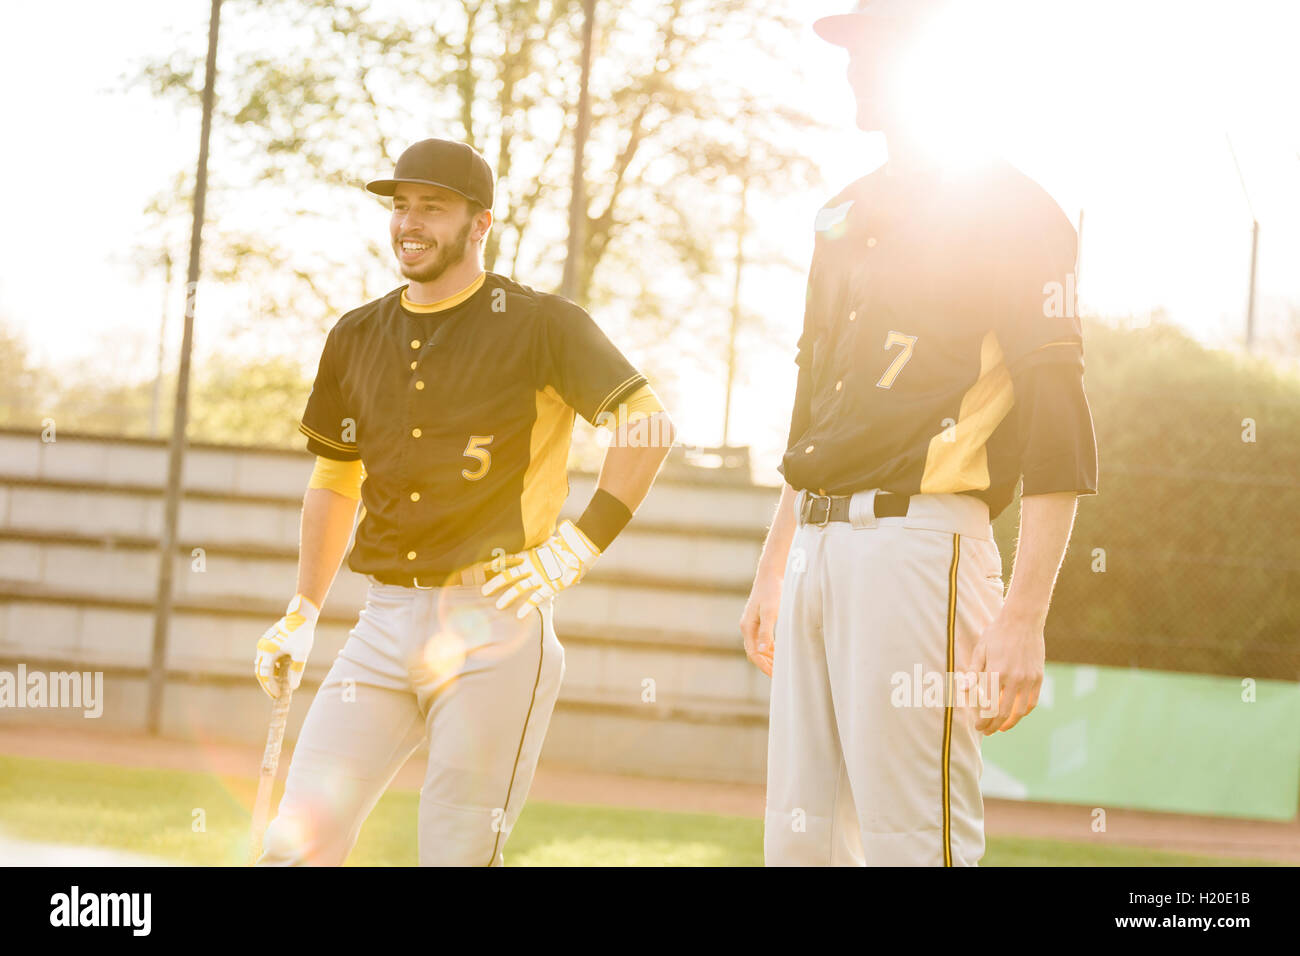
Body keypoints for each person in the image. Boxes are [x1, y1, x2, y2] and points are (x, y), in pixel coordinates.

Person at [740, 1, 1099, 866]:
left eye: (872, 48)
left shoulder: (1016, 210)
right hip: (819, 550)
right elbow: (815, 410)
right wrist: (772, 566)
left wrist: (1025, 614)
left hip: (921, 547)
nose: (854, 66)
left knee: (915, 843)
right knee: (802, 846)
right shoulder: (840, 211)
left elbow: (1059, 422)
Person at [253, 138, 674, 866]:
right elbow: (334, 480)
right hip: (381, 623)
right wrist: (304, 609)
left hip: (497, 626)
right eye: (400, 206)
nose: (409, 224)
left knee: (456, 853)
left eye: (433, 208)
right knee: (294, 842)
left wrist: (577, 547)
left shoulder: (542, 323)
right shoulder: (354, 336)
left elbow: (648, 424)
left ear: (480, 224)